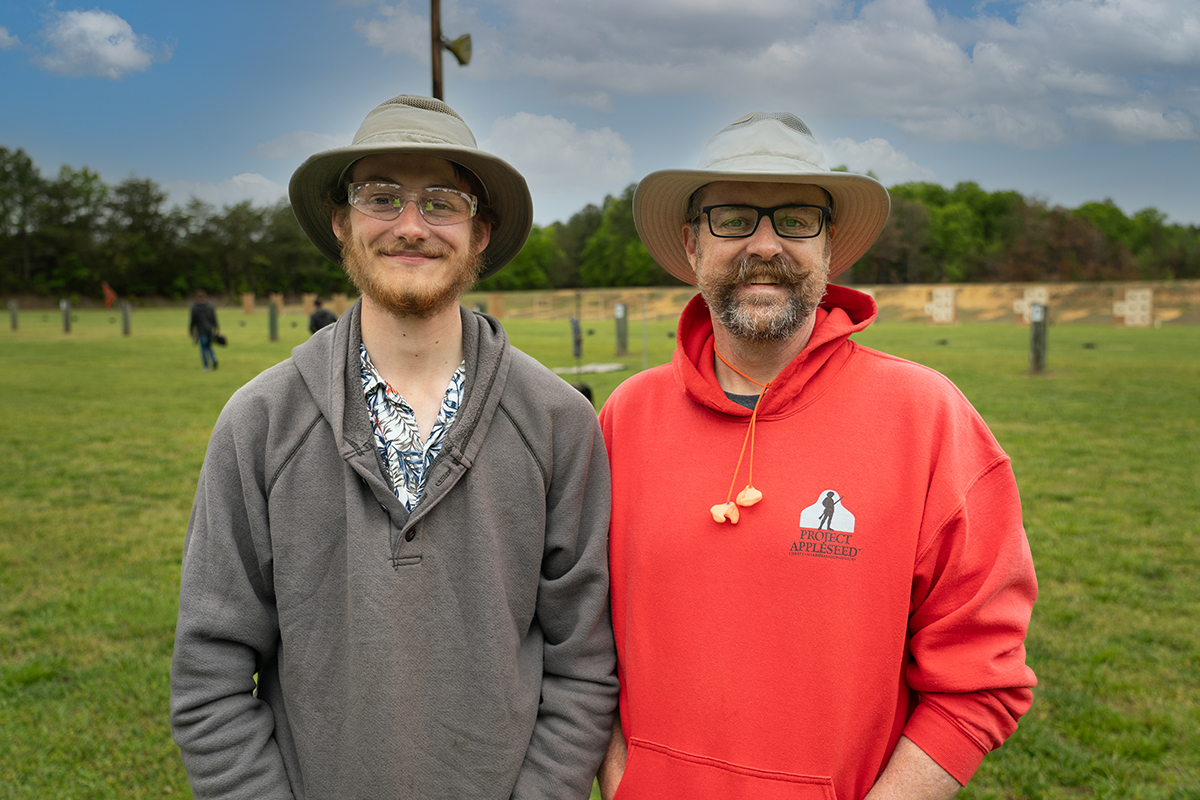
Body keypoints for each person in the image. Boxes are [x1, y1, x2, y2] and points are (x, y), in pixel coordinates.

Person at [170, 95, 618, 799]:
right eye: (381, 198)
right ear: (341, 222)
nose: (411, 226)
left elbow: (583, 665)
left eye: (442, 202)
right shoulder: (259, 422)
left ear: (481, 231)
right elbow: (209, 679)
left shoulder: (559, 421)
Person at [597, 112, 1037, 800]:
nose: (765, 245)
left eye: (796, 220)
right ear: (691, 243)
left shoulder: (926, 415)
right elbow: (579, 640)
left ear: (829, 244)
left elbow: (981, 677)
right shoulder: (625, 417)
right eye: (733, 219)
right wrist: (624, 781)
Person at [188, 290, 219, 370]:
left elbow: (192, 321)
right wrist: (217, 329)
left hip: (201, 331)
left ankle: (206, 366)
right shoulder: (210, 307)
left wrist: (191, 331)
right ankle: (213, 358)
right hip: (209, 330)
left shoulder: (195, 308)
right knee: (208, 346)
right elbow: (214, 319)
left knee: (203, 348)